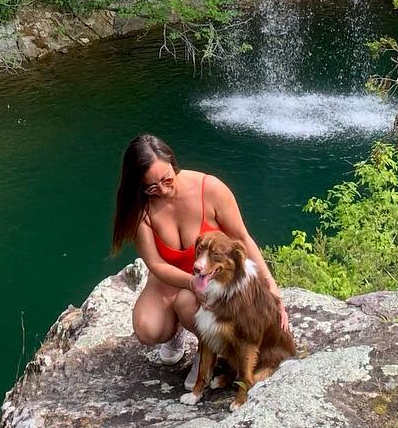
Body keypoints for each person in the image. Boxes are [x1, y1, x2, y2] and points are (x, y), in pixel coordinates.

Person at [110, 132, 290, 371]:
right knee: (147, 328)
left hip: (214, 277)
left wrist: (272, 288)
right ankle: (177, 334)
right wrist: (190, 282)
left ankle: (206, 350)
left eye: (167, 180)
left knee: (188, 303)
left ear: (174, 165)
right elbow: (155, 264)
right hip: (171, 278)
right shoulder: (142, 210)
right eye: (151, 187)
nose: (163, 191)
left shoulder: (210, 189)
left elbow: (242, 238)